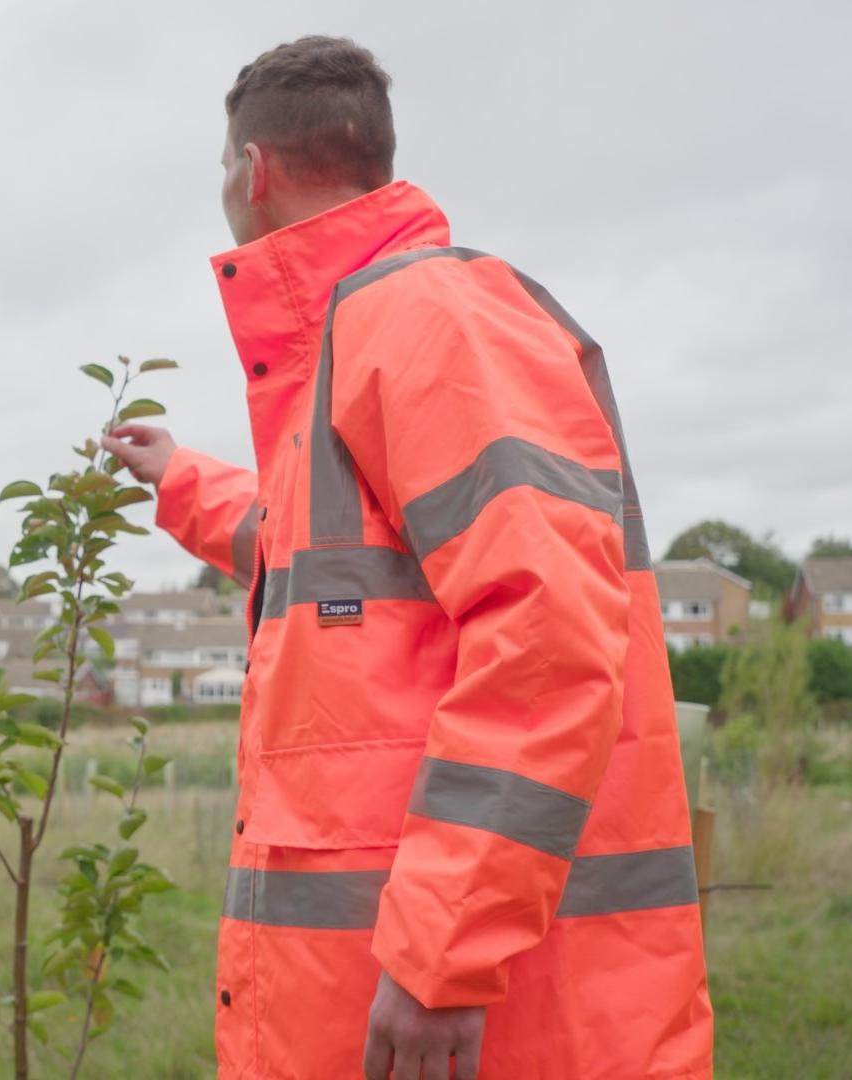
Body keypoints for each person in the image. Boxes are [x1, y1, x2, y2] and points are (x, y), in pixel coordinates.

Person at [102, 35, 712, 1080]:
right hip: (393, 1003)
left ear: (254, 172)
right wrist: (179, 480)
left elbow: (550, 639)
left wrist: (442, 955)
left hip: (482, 1011)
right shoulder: (362, 341)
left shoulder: (426, 317)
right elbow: (310, 554)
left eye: (220, 169)